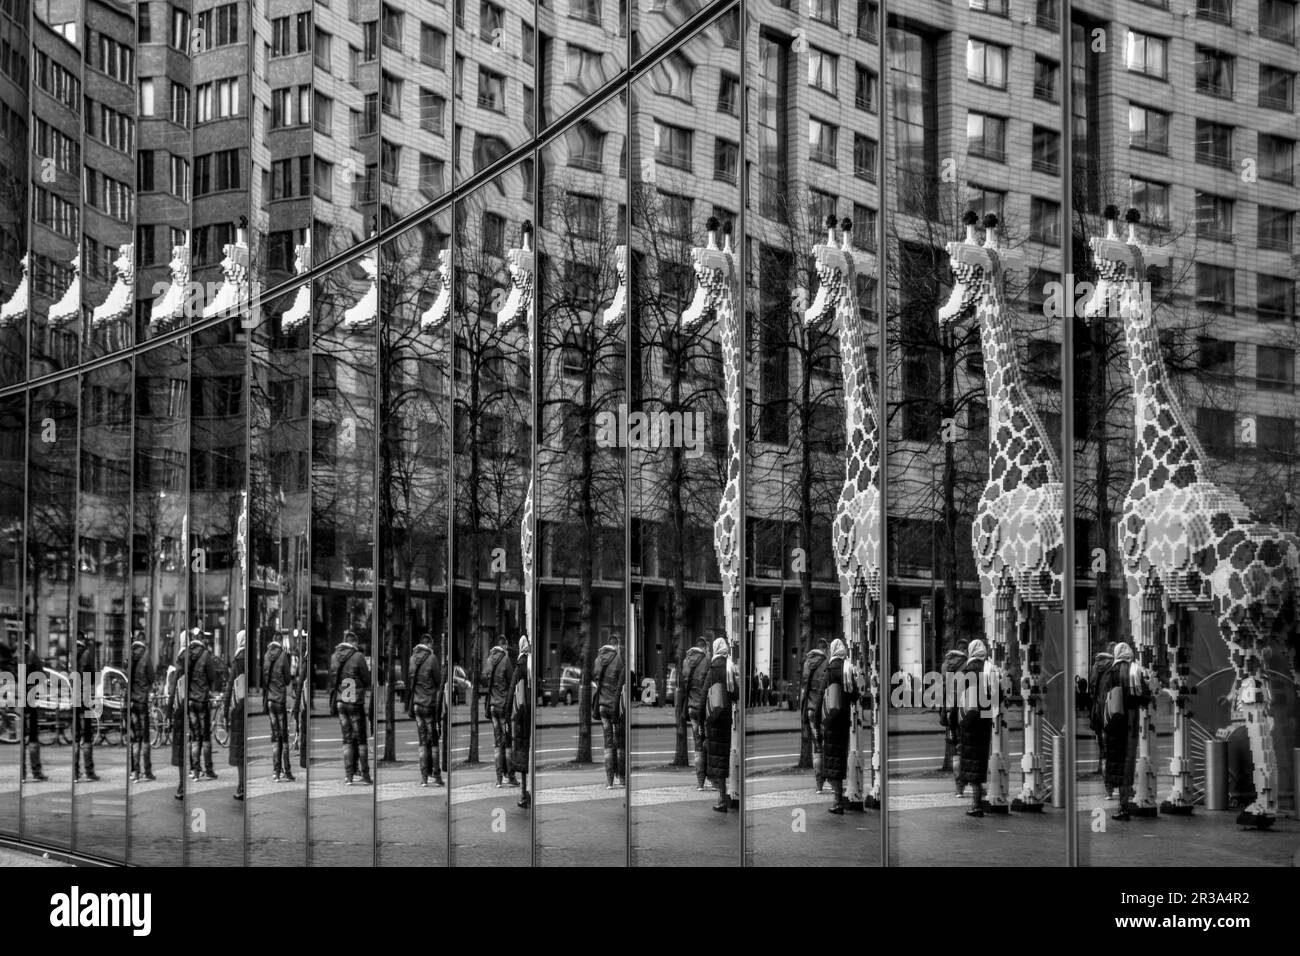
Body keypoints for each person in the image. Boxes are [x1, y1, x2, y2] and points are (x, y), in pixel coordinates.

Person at [1102, 642, 1153, 821]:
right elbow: (1145, 696)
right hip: (1131, 722)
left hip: (1115, 722)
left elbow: (1103, 698)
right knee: (1128, 760)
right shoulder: (1135, 670)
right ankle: (1124, 803)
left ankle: (1121, 804)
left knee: (1116, 760)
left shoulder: (1111, 671)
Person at [821, 639, 862, 814]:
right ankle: (839, 797)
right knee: (838, 759)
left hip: (831, 720)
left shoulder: (830, 670)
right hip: (844, 720)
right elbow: (855, 695)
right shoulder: (847, 669)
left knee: (831, 761)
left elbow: (823, 694)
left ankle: (837, 801)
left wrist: (817, 719)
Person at [697, 637, 738, 812]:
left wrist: (700, 721)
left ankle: (721, 799)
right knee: (724, 756)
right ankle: (727, 794)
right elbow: (736, 693)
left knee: (717, 760)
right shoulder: (729, 667)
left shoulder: (713, 669)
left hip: (713, 719)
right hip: (727, 718)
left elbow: (703, 696)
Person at [328, 629, 372, 785]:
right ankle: (365, 775)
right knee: (361, 740)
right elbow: (367, 680)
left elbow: (332, 680)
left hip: (340, 702)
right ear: (354, 642)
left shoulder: (334, 657)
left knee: (347, 739)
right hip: (354, 701)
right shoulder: (358, 656)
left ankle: (349, 776)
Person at [958, 639, 994, 817]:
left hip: (971, 720)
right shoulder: (989, 668)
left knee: (971, 764)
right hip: (985, 720)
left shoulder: (970, 670)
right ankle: (978, 801)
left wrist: (962, 721)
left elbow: (966, 698)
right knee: (978, 763)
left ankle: (977, 804)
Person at [406, 632, 444, 787]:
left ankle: (424, 778)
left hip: (416, 704)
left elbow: (411, 681)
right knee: (433, 741)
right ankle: (436, 774)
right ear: (429, 644)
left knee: (422, 741)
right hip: (429, 704)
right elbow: (438, 681)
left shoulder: (412, 659)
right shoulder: (432, 658)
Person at [183, 628, 218, 781]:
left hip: (190, 700)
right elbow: (212, 676)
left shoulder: (188, 655)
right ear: (202, 640)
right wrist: (209, 688)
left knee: (194, 736)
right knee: (205, 737)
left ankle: (195, 771)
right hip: (202, 700)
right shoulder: (205, 655)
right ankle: (208, 769)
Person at [678, 636, 711, 790]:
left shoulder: (686, 661)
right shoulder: (706, 661)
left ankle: (700, 783)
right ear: (704, 648)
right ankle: (710, 777)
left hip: (691, 708)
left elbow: (682, 687)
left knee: (697, 743)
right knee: (707, 741)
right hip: (703, 709)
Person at [593, 631, 625, 789]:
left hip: (602, 706)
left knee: (607, 742)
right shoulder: (619, 660)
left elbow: (596, 678)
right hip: (615, 707)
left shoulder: (598, 659)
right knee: (619, 743)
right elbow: (621, 683)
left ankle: (609, 781)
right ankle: (622, 778)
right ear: (616, 645)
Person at [263, 631, 295, 782]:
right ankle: (287, 771)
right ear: (280, 641)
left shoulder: (266, 655)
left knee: (275, 736)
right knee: (284, 737)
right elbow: (288, 679)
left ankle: (276, 771)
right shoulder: (283, 656)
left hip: (269, 700)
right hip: (279, 700)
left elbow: (264, 678)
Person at [483, 635, 515, 787]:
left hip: (493, 706)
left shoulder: (489, 659)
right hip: (503, 706)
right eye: (507, 647)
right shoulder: (505, 660)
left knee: (497, 742)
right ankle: (510, 776)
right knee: (507, 741)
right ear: (505, 646)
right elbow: (512, 681)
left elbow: (485, 677)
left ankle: (498, 779)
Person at [800, 638, 830, 792]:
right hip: (823, 710)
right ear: (825, 649)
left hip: (810, 709)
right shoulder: (826, 664)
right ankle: (830, 781)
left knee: (816, 747)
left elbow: (804, 686)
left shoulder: (807, 663)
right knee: (827, 745)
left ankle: (819, 784)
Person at [939, 645, 968, 796]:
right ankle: (975, 784)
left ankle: (959, 787)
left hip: (952, 714)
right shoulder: (966, 666)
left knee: (956, 751)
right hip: (965, 713)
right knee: (968, 749)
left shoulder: (946, 666)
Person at [128, 631, 155, 781]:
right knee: (145, 738)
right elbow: (151, 676)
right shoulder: (146, 656)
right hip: (142, 701)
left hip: (132, 702)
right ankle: (147, 771)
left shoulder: (130, 655)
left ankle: (135, 772)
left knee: (134, 738)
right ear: (143, 640)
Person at [73, 631, 99, 783]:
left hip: (75, 698)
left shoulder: (72, 654)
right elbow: (93, 676)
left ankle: (75, 774)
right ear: (83, 640)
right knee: (87, 734)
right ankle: (89, 771)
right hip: (86, 698)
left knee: (76, 736)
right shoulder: (87, 653)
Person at [224, 630, 247, 800]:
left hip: (239, 709)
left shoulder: (238, 660)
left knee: (239, 750)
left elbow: (229, 686)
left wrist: (225, 711)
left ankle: (241, 786)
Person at [21, 639, 48, 782]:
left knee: (22, 739)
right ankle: (36, 771)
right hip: (30, 700)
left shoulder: (15, 656)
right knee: (32, 737)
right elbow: (42, 677)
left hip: (19, 701)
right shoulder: (32, 655)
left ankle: (23, 774)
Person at [510, 635, 532, 808]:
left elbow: (513, 689)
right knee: (527, 753)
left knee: (522, 754)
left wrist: (509, 711)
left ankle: (525, 795)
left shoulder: (520, 665)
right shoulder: (531, 664)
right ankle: (527, 793)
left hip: (521, 715)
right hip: (529, 712)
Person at [1088, 649, 1114, 785]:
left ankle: (1101, 766)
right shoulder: (1112, 668)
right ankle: (1106, 769)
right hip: (1108, 709)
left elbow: (1092, 687)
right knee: (1109, 740)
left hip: (1098, 707)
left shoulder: (1096, 667)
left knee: (1100, 739)